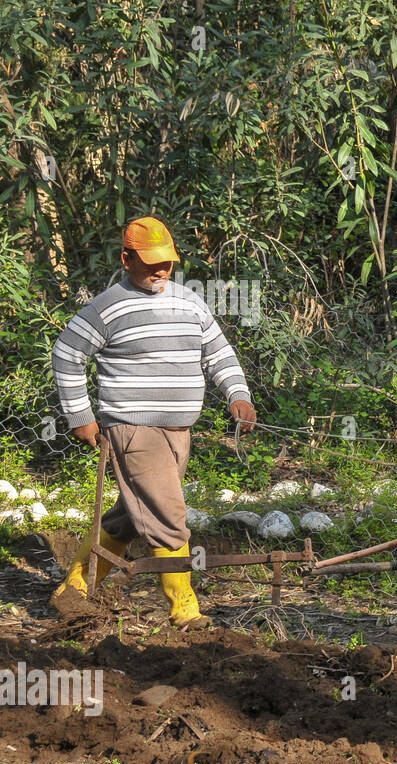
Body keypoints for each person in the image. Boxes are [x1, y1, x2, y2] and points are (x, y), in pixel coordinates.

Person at [51, 216, 257, 627]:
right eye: (150, 263)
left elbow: (218, 353)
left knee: (131, 515)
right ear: (126, 259)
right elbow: (67, 354)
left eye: (166, 262)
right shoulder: (107, 306)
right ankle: (185, 609)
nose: (161, 270)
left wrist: (237, 394)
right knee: (167, 513)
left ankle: (74, 585)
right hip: (132, 429)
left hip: (178, 431)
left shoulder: (190, 301)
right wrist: (81, 416)